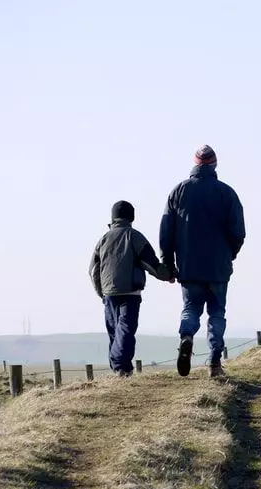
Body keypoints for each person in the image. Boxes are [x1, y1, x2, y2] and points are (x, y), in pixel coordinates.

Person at [160, 145, 246, 378]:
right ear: (214, 165)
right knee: (217, 313)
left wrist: (168, 263)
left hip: (189, 266)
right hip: (218, 267)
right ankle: (215, 363)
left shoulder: (178, 191)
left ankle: (186, 336)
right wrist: (230, 254)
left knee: (190, 309)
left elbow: (166, 231)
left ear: (195, 164)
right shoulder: (227, 193)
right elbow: (238, 232)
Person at [90, 200, 171, 376]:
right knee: (125, 330)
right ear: (132, 217)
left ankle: (121, 369)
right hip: (130, 292)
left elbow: (93, 270)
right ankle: (121, 368)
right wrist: (168, 275)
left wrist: (101, 292)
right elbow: (151, 263)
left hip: (108, 294)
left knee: (114, 332)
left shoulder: (102, 240)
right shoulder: (134, 236)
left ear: (113, 217)